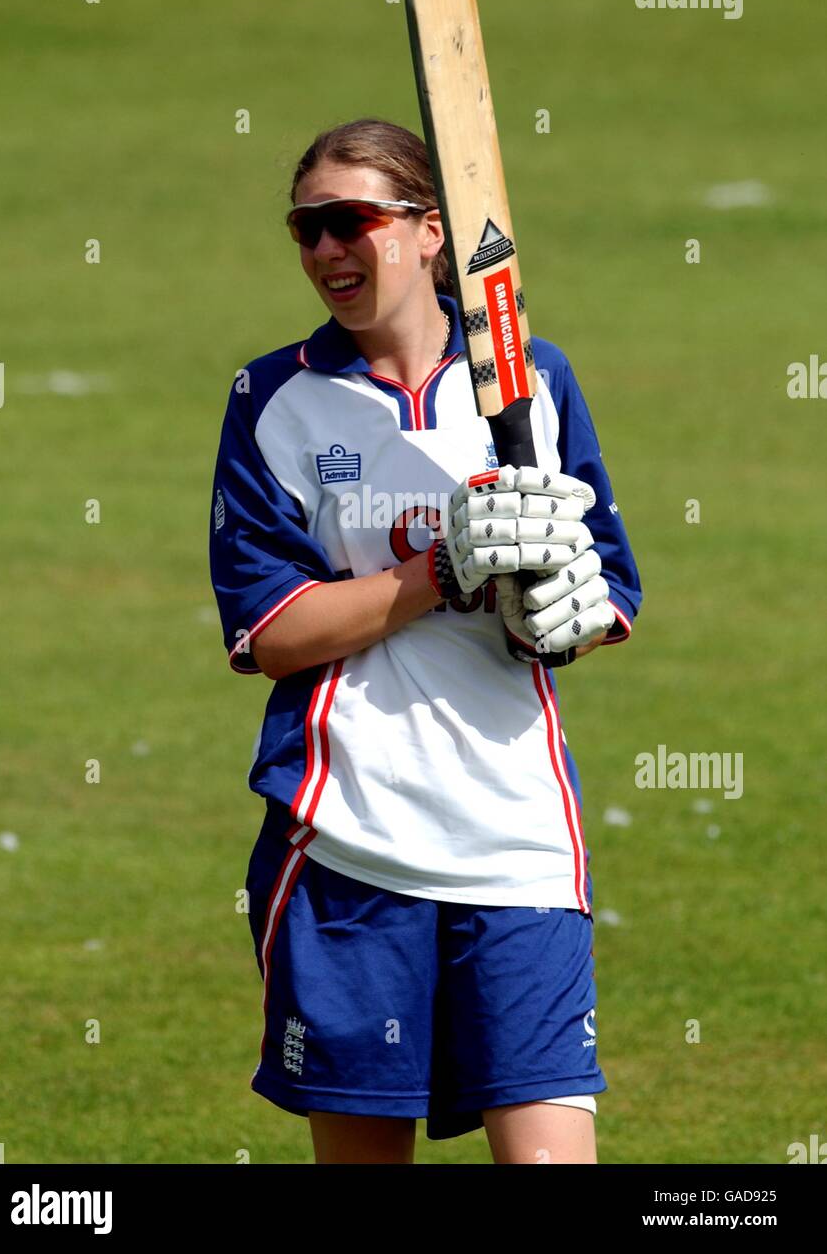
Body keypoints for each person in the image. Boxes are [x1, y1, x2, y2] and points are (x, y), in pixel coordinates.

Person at [209, 118, 642, 1164]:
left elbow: (608, 579)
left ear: (429, 232)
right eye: (304, 229)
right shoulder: (275, 403)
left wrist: (563, 616)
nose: (324, 252)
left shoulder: (530, 378)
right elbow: (270, 632)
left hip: (516, 837)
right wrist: (436, 570)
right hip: (349, 844)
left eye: (349, 222)